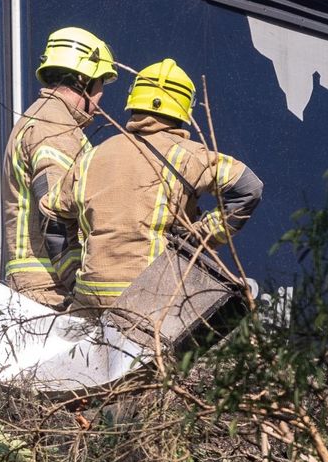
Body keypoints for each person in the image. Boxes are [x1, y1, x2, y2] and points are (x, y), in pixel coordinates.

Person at [65, 59, 263, 314]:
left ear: (134, 99)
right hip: (147, 300)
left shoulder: (91, 156)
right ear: (184, 108)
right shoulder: (188, 156)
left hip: (88, 299)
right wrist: (199, 237)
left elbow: (54, 214)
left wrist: (70, 276)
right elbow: (249, 188)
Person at [2, 27, 115, 308]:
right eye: (100, 85)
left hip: (41, 283)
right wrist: (81, 286)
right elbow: (54, 216)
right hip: (49, 289)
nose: (100, 102)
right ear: (83, 79)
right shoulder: (55, 127)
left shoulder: (43, 118)